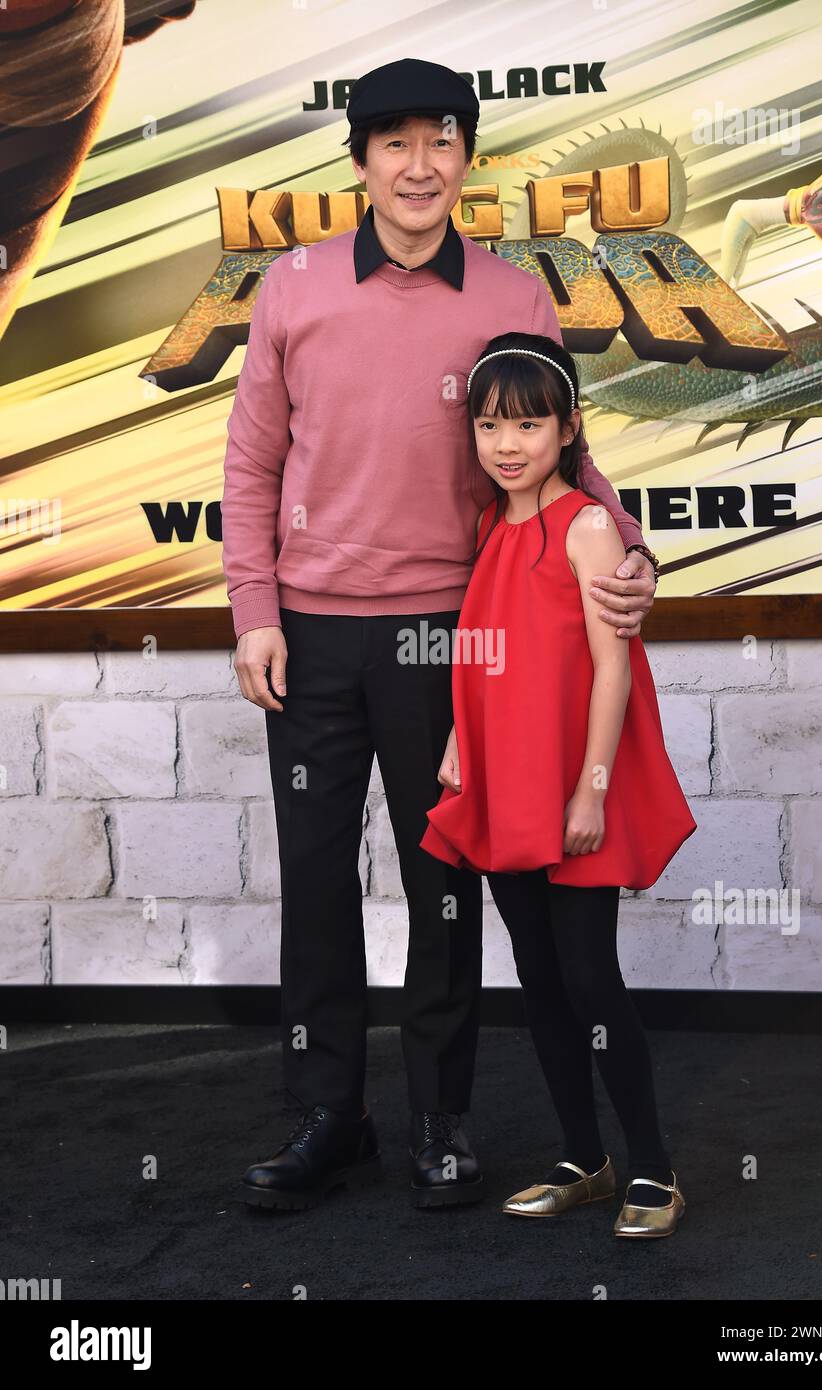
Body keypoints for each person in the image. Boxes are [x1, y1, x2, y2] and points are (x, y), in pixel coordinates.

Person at [221, 57, 660, 1212]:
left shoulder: (513, 297)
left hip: (450, 636)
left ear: (466, 158)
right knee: (316, 882)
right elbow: (251, 463)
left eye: (441, 141)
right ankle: (328, 1118)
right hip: (311, 634)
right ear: (359, 161)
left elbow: (568, 446)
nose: (419, 164)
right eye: (395, 143)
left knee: (443, 885)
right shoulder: (294, 286)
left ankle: (440, 1121)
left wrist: (629, 545)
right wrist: (254, 612)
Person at [420, 332, 697, 1236]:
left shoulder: (587, 525)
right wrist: (462, 738)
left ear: (570, 425)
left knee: (590, 978)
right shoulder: (490, 527)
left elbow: (613, 671)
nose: (508, 443)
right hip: (505, 782)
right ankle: (585, 1157)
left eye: (529, 423)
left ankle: (652, 1168)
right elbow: (484, 643)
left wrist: (592, 790)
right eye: (491, 425)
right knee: (537, 977)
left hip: (575, 784)